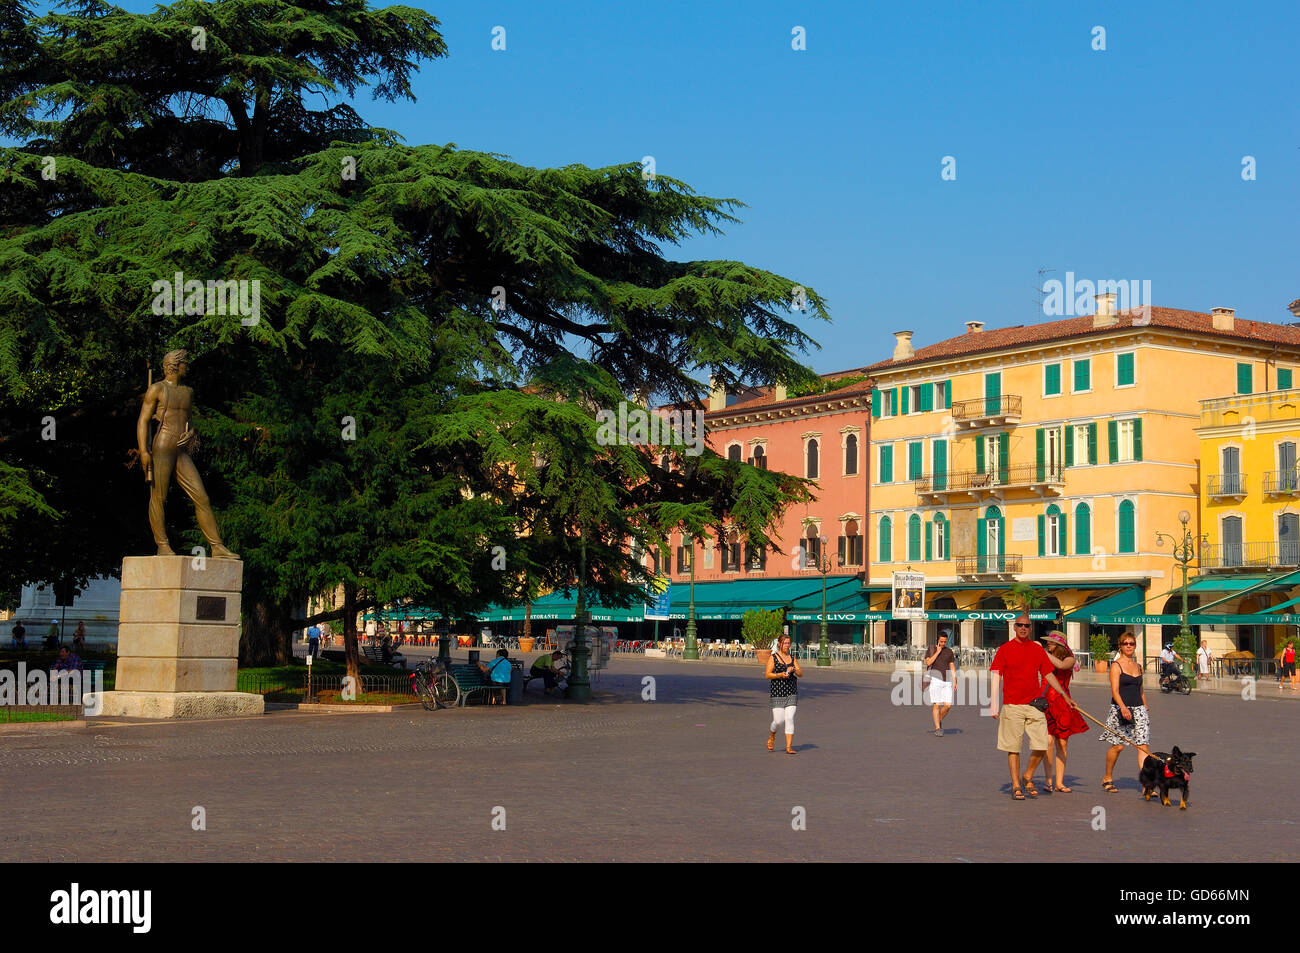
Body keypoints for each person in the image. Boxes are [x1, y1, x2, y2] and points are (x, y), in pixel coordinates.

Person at [136, 349, 239, 559]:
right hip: (163, 446)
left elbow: (189, 420)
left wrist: (191, 432)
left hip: (181, 451)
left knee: (202, 497)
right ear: (176, 365)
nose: (188, 366)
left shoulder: (188, 391)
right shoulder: (157, 389)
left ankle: (216, 546)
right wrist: (143, 450)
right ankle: (162, 545)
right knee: (158, 497)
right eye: (185, 363)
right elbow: (143, 421)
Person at [988, 613, 1073, 800]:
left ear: (1031, 628)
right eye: (1019, 625)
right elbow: (996, 674)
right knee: (1013, 748)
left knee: (1043, 744)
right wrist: (994, 703)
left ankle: (1027, 775)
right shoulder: (1005, 649)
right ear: (1014, 627)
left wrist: (1063, 695)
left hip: (1034, 704)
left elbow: (1049, 675)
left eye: (1026, 625)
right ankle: (1016, 785)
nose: (1023, 628)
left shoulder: (1037, 650)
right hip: (1012, 705)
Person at [1100, 632, 1152, 793]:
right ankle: (1107, 776)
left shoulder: (1138, 667)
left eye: (1132, 643)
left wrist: (1145, 707)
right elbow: (1115, 691)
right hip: (1120, 709)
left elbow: (1141, 690)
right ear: (1120, 646)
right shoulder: (1116, 666)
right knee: (1118, 747)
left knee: (1143, 747)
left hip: (1139, 709)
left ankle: (1146, 785)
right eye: (1125, 643)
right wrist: (1123, 707)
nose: (1129, 646)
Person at [1039, 631, 1088, 793]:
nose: (1048, 644)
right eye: (1047, 642)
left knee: (1062, 743)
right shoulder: (1044, 657)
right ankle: (1048, 780)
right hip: (1045, 701)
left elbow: (1060, 666)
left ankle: (1059, 782)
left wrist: (1042, 653)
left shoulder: (1069, 658)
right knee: (1048, 742)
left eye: (1051, 642)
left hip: (1062, 702)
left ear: (1060, 645)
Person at [766, 633, 803, 754]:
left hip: (791, 691)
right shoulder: (773, 657)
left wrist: (795, 669)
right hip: (777, 692)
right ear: (780, 644)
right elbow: (768, 674)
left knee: (789, 718)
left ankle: (788, 747)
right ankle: (772, 736)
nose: (787, 645)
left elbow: (801, 673)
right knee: (778, 721)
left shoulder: (792, 658)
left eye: (788, 643)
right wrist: (780, 675)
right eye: (785, 643)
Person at [924, 632, 956, 736]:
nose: (943, 643)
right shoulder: (931, 649)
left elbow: (952, 666)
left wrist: (955, 680)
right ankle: (938, 728)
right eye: (941, 641)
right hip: (935, 680)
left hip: (947, 681)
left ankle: (939, 720)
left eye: (945, 642)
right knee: (936, 705)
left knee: (947, 706)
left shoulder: (949, 651)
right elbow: (928, 662)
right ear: (937, 640)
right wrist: (937, 652)